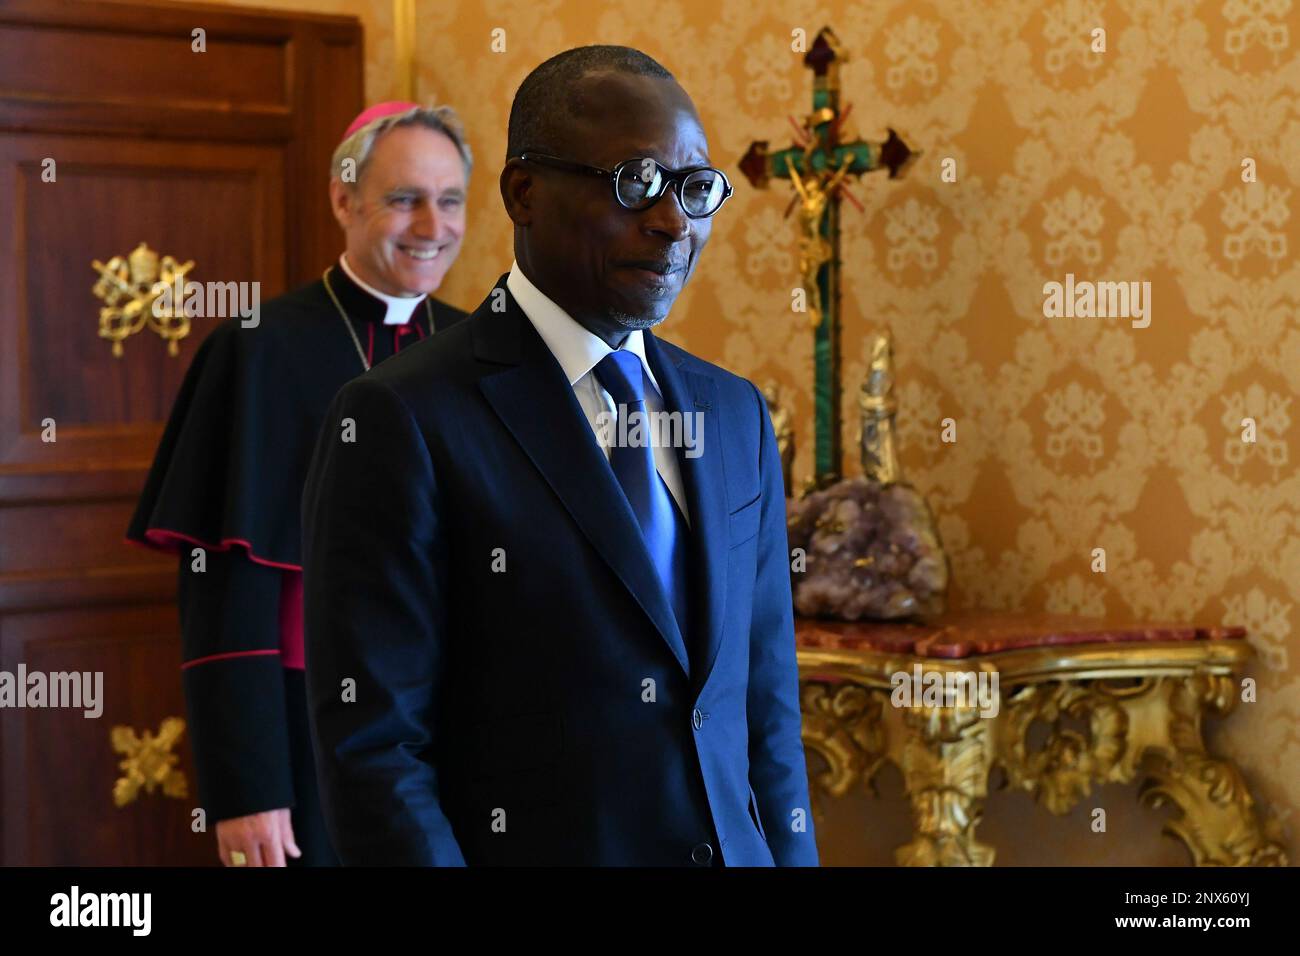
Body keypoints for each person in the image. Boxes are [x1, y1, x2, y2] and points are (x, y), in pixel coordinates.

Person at [302, 46, 818, 866]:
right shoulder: (402, 417)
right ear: (524, 193)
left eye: (694, 190)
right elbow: (377, 750)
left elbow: (766, 711)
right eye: (637, 183)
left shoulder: (733, 414)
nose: (673, 221)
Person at [127, 102, 471, 867]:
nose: (432, 225)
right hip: (311, 724)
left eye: (450, 201)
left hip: (458, 723)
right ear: (344, 199)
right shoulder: (258, 349)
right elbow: (224, 583)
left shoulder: (480, 349)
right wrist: (247, 785)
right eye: (405, 198)